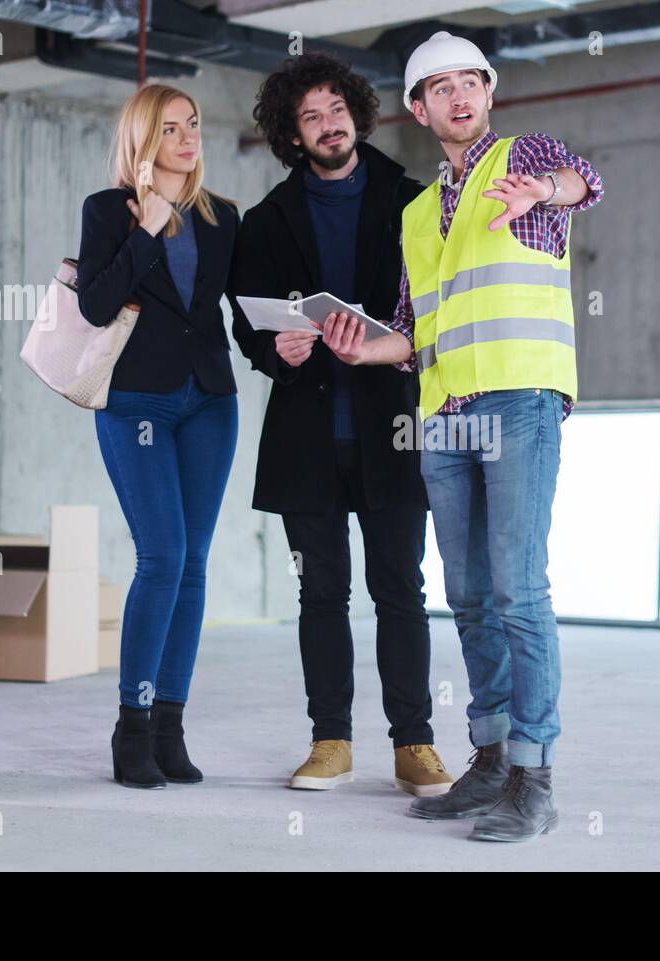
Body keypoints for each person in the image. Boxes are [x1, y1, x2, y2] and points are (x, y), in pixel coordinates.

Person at [318, 31, 604, 841]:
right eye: (438, 88)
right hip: (443, 413)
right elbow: (412, 330)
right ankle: (488, 757)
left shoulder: (524, 156)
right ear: (418, 108)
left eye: (469, 83)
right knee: (471, 594)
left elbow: (586, 183)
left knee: (518, 588)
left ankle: (534, 775)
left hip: (520, 397)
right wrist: (358, 345)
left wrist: (542, 192)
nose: (457, 97)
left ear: (487, 90)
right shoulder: (415, 213)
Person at [231, 54, 452, 797]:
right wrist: (278, 349)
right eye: (312, 117)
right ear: (294, 136)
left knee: (401, 590)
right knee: (320, 594)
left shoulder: (415, 203)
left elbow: (438, 313)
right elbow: (249, 326)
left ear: (357, 112)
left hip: (392, 430)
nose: (330, 125)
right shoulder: (263, 223)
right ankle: (330, 741)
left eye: (337, 109)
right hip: (305, 439)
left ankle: (414, 745)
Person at [77, 83, 241, 790]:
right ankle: (132, 727)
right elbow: (94, 304)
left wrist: (291, 347)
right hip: (135, 399)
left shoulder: (223, 216)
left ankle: (171, 727)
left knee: (195, 562)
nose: (188, 137)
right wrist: (146, 229)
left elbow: (242, 312)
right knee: (162, 555)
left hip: (210, 399)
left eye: (194, 124)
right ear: (143, 139)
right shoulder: (108, 211)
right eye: (171, 127)